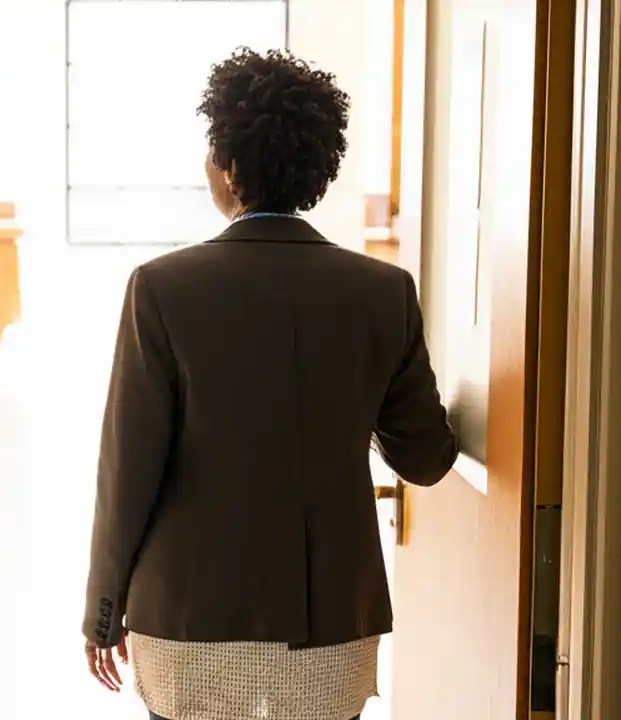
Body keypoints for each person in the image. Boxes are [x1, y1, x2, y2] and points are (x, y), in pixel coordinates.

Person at [82, 48, 459, 720]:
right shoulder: (383, 294)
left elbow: (128, 469)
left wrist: (104, 609)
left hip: (189, 615)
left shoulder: (163, 289)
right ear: (318, 170)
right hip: (330, 617)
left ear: (227, 167)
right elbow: (424, 459)